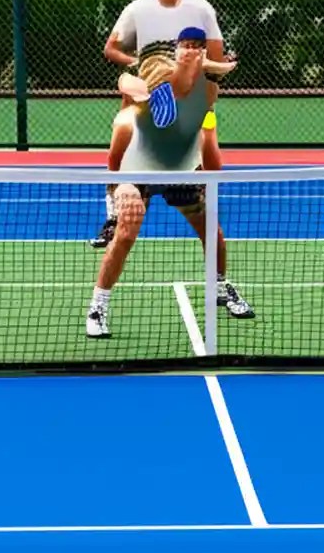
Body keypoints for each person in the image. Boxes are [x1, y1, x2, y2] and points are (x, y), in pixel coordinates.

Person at [85, 27, 253, 339]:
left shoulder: (203, 101)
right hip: (139, 171)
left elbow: (206, 145)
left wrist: (203, 175)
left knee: (212, 231)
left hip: (179, 172)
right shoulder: (143, 90)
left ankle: (218, 286)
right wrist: (115, 194)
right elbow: (116, 151)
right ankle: (97, 307)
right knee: (124, 237)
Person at [91, 0, 230, 249]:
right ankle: (113, 213)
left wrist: (208, 72)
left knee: (204, 208)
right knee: (128, 214)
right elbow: (111, 49)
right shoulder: (137, 9)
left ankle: (219, 283)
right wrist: (139, 65)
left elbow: (216, 58)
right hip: (147, 99)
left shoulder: (201, 8)